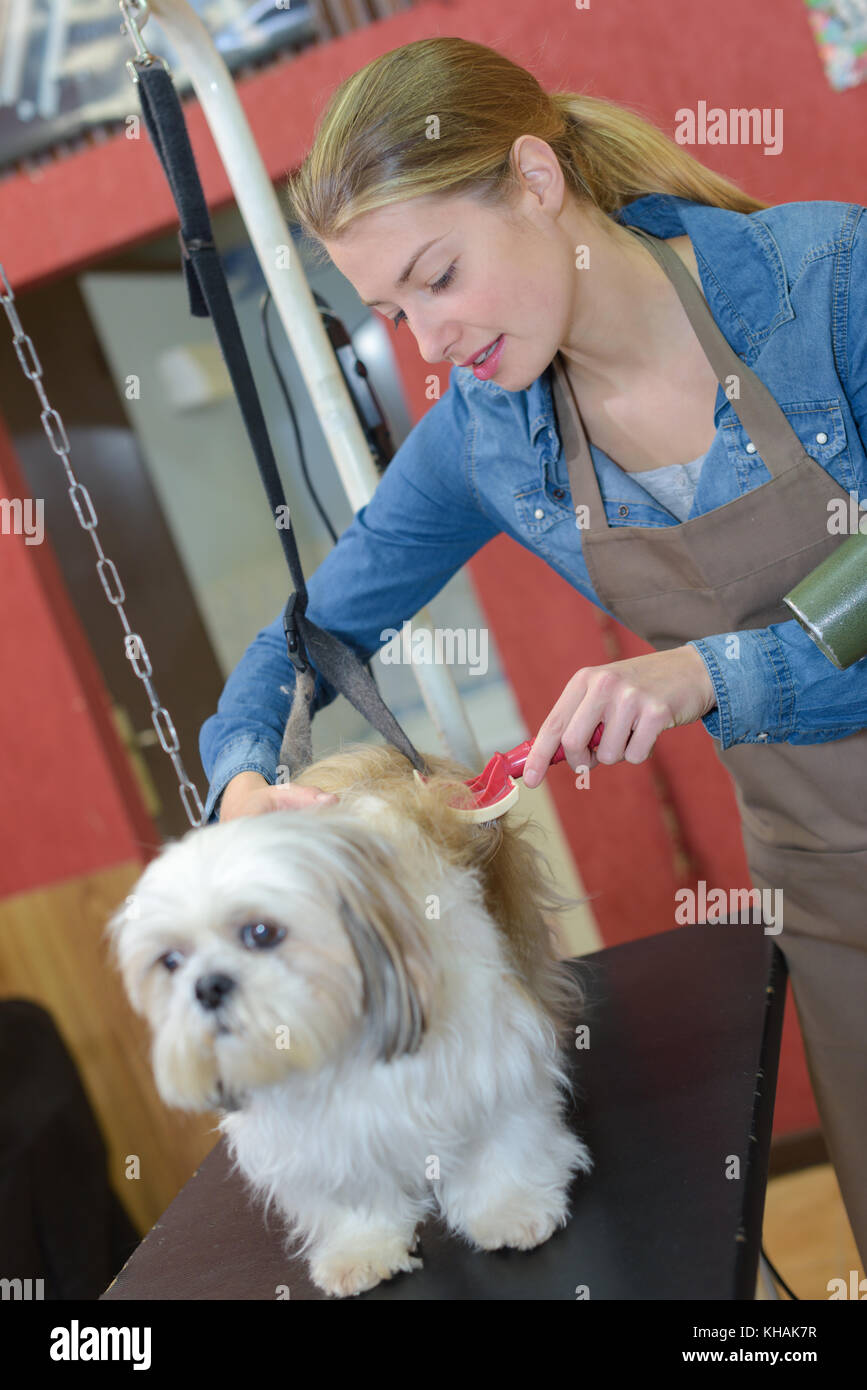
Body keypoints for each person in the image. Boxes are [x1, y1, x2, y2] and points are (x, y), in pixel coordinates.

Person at [199, 37, 867, 1264]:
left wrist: (708, 672)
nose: (427, 341)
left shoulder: (832, 282)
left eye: (438, 275)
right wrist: (243, 778)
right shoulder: (487, 440)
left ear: (537, 179)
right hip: (836, 889)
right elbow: (309, 633)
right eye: (393, 312)